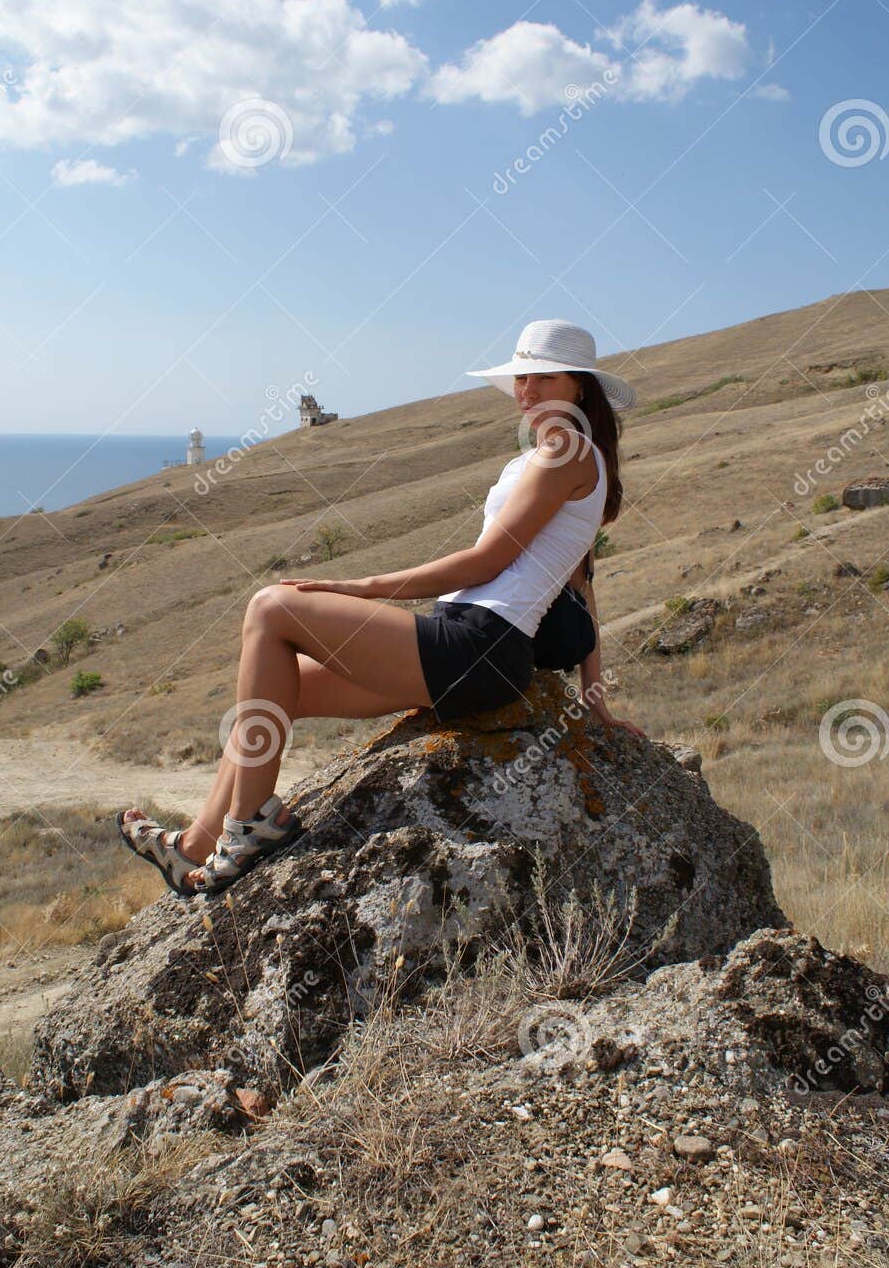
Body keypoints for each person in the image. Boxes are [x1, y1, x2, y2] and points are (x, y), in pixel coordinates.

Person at [118, 319, 646, 900]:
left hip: (481, 648)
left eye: (542, 378)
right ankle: (195, 847)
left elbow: (486, 563)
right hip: (461, 645)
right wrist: (596, 700)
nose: (526, 391)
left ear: (578, 387)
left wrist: (362, 586)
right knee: (275, 689)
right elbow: (583, 586)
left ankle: (250, 828)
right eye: (521, 377)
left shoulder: (566, 454)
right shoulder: (544, 460)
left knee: (271, 608)